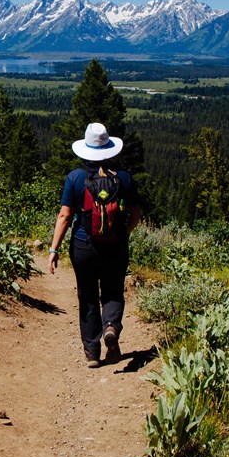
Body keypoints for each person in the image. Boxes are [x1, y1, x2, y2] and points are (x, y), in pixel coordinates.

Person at [48, 122, 142, 368]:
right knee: (112, 292)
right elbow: (135, 214)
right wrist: (124, 233)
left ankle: (92, 353)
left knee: (87, 297)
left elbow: (65, 216)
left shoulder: (76, 178)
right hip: (115, 246)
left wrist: (54, 249)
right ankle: (110, 325)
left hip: (83, 247)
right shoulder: (124, 179)